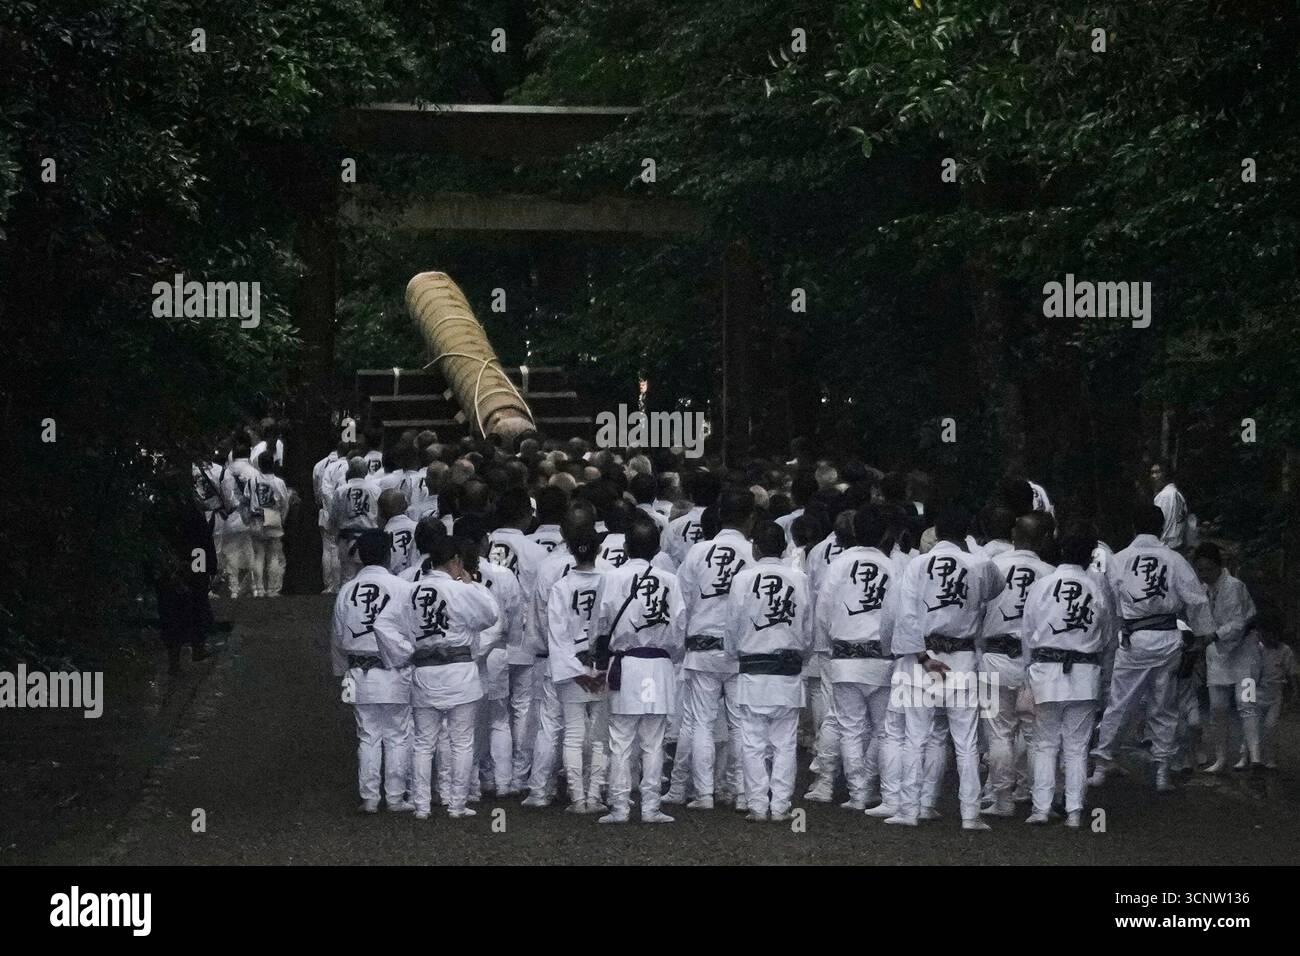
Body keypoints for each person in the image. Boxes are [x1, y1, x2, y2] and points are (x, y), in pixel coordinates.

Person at [889, 504, 1004, 830]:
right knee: (966, 743)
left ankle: (909, 810)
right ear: (966, 533)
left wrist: (923, 658)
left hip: (921, 662)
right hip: (963, 662)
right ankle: (970, 815)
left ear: (936, 532)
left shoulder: (917, 565)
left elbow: (906, 616)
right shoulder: (980, 564)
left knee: (915, 738)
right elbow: (997, 586)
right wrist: (972, 550)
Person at [1089, 506, 1215, 792]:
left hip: (1133, 638)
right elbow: (1196, 599)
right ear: (1161, 529)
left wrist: (1110, 633)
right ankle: (1161, 770)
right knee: (1164, 705)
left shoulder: (1119, 559)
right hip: (1167, 638)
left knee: (1119, 703)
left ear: (1134, 528)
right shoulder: (1174, 559)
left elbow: (1106, 601)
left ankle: (1101, 764)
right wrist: (1204, 634)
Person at [377, 532, 499, 819]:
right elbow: (491, 615)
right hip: (460, 672)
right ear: (456, 561)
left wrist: (406, 652)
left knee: (423, 742)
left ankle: (421, 805)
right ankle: (457, 804)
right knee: (461, 741)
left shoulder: (410, 590)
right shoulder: (460, 590)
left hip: (425, 671)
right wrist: (474, 587)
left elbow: (382, 624)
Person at [667, 488, 755, 811]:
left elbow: (681, 605)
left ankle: (703, 794)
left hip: (701, 646)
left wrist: (681, 645)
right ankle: (743, 793)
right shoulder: (752, 553)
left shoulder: (698, 552)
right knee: (741, 722)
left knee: (701, 721)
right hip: (741, 650)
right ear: (750, 518)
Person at [593, 516, 686, 823]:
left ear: (627, 546)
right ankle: (651, 807)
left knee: (620, 740)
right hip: (657, 663)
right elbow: (679, 627)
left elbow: (600, 624)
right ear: (657, 548)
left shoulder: (612, 577)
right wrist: (669, 653)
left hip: (626, 663)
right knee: (654, 740)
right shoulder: (669, 580)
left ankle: (619, 807)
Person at [1022, 532, 1116, 827]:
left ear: (1061, 550)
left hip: (1046, 671)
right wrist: (1104, 674)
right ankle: (1074, 811)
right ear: (1090, 556)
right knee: (1077, 747)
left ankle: (1040, 808)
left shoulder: (1042, 585)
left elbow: (1028, 633)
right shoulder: (1098, 587)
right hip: (1085, 673)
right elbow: (1108, 637)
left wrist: (1029, 669)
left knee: (1045, 743)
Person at [724, 520, 813, 821]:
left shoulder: (742, 579)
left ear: (755, 548)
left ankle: (758, 806)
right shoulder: (799, 579)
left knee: (752, 742)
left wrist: (733, 654)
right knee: (785, 743)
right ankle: (781, 807)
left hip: (753, 668)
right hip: (788, 669)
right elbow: (808, 628)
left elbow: (733, 626)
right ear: (785, 547)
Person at [814, 506, 897, 810]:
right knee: (884, 728)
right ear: (884, 533)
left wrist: (827, 645)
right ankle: (883, 789)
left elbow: (823, 611)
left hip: (845, 654)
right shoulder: (892, 565)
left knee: (850, 728)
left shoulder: (838, 564)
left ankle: (858, 792)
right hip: (882, 656)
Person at [329, 529, 413, 814]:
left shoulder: (346, 590)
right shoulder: (402, 587)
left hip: (356, 671)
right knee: (397, 734)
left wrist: (342, 672)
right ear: (389, 554)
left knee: (367, 734)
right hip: (393, 670)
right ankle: (395, 796)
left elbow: (338, 637)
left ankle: (369, 798)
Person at [977, 513, 1054, 817]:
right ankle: (1040, 802)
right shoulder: (1050, 573)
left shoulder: (992, 567)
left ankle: (1002, 800)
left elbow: (977, 612)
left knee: (999, 734)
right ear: (1044, 539)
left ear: (1014, 534)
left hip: (996, 657)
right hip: (1036, 661)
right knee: (1036, 736)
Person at [545, 522, 610, 814]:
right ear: (599, 549)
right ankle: (595, 796)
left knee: (573, 734)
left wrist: (578, 669)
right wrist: (599, 668)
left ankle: (578, 799)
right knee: (599, 738)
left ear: (570, 550)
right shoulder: (611, 580)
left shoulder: (561, 587)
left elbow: (556, 636)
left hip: (571, 667)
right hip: (603, 665)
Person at [1193, 543, 1263, 771]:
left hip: (1246, 653)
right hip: (1217, 655)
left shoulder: (1235, 586)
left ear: (1218, 566)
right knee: (1217, 708)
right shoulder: (1202, 590)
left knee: (1247, 702)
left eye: (1208, 569)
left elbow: (1238, 624)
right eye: (1200, 570)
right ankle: (1220, 758)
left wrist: (1213, 635)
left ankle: (1254, 756)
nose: (1204, 574)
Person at [330, 457, 380, 586]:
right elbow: (380, 516)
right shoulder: (376, 490)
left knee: (347, 577)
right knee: (369, 576)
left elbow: (334, 517)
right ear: (365, 472)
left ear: (350, 471)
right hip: (370, 538)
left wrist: (335, 533)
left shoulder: (340, 491)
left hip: (347, 538)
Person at [220, 441, 260, 598]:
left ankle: (234, 589)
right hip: (251, 518)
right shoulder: (255, 473)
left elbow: (227, 499)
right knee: (253, 554)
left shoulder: (226, 473)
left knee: (231, 555)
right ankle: (255, 587)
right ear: (248, 455)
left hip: (232, 518)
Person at [251, 451, 293, 597]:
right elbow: (285, 503)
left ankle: (258, 589)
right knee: (274, 556)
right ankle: (273, 589)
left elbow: (245, 500)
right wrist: (282, 518)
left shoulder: (252, 481)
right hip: (274, 517)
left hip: (256, 519)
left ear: (259, 465)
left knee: (258, 555)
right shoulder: (278, 482)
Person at [1257, 624, 1296, 768]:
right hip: (1257, 691)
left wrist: (1294, 694)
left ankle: (1270, 757)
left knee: (1270, 726)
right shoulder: (1258, 649)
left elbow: (1292, 673)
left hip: (1276, 693)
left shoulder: (1285, 651)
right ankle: (1252, 756)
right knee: (1255, 726)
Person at [1151, 461, 1189, 551]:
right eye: (1152, 472)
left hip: (1165, 546)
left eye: (1157, 472)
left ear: (1165, 474)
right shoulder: (1178, 495)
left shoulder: (1165, 496)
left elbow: (1159, 523)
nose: (1153, 476)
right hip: (1177, 546)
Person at [379, 489, 418, 575]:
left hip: (391, 583)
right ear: (406, 506)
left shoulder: (381, 537)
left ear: (380, 512)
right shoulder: (419, 528)